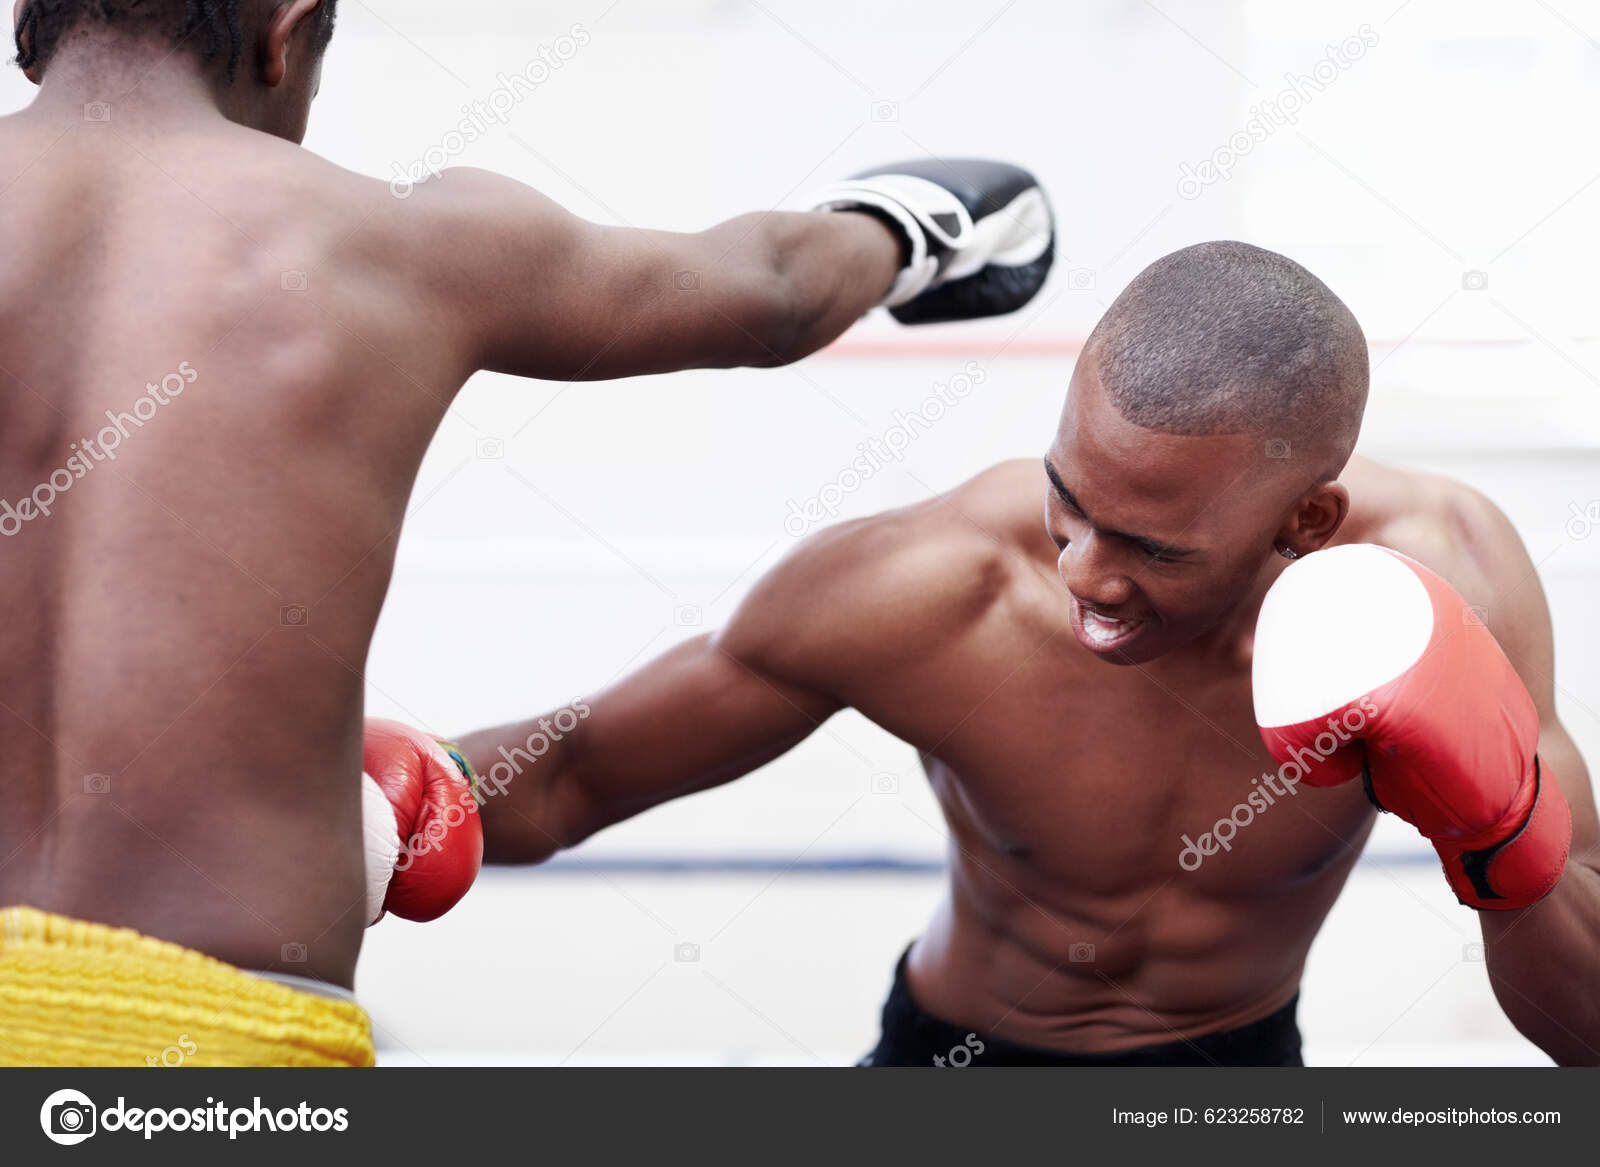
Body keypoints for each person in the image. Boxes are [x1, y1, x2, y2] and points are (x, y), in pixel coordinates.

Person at [0, 0, 1053, 1066]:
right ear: (286, 29)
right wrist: (912, 227)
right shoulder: (404, 239)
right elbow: (772, 291)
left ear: (27, 30)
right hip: (219, 1031)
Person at [465, 241, 1600, 1066]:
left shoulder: (1447, 587)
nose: (1084, 578)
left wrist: (1500, 841)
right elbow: (567, 781)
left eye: (1152, 548)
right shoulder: (931, 588)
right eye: (1069, 502)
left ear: (1305, 521)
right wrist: (386, 797)